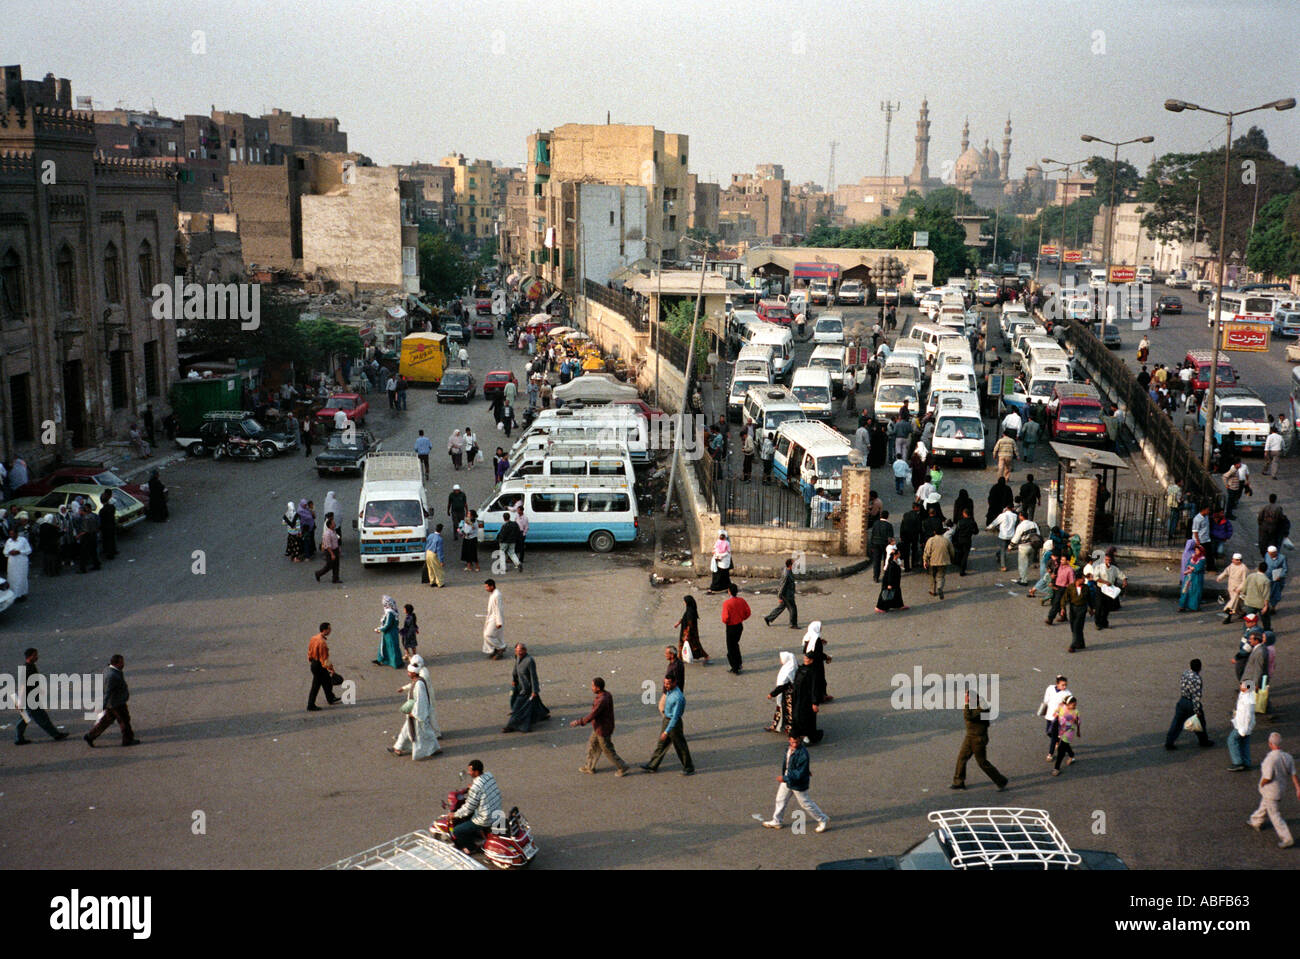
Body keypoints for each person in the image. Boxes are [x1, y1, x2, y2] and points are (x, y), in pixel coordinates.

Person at [762, 731, 831, 831]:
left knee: (806, 804)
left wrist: (784, 778)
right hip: (788, 778)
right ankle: (777, 821)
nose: (794, 745)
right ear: (789, 740)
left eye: (797, 742)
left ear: (800, 741)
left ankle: (822, 818)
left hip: (797, 783)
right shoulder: (789, 749)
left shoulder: (803, 753)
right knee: (780, 799)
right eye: (792, 742)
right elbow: (791, 765)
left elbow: (799, 773)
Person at [571, 677, 630, 776]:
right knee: (592, 745)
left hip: (603, 729)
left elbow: (592, 715)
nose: (591, 688)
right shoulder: (607, 694)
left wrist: (579, 722)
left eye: (593, 686)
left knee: (607, 750)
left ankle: (622, 766)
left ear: (598, 688)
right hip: (599, 727)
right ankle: (589, 767)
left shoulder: (602, 700)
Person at [1249, 733, 1299, 848]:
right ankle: (1255, 820)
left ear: (1270, 744)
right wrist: (1298, 788)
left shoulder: (1270, 759)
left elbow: (1267, 777)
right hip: (1281, 789)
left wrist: (1261, 784)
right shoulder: (1288, 757)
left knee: (1275, 815)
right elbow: (1293, 774)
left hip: (1271, 790)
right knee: (1265, 804)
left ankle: (1287, 838)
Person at [951, 690, 1007, 790]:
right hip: (970, 736)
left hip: (978, 738)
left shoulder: (982, 707)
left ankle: (1001, 781)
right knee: (962, 757)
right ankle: (959, 781)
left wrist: (967, 704)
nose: (966, 700)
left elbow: (969, 716)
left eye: (967, 698)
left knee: (982, 762)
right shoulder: (978, 705)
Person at [13, 648, 71, 744]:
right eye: (35, 655)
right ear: (30, 656)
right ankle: (56, 735)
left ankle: (19, 739)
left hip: (30, 697)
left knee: (24, 718)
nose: (37, 657)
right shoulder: (27, 669)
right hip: (30, 699)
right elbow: (23, 686)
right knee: (42, 718)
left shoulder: (30, 666)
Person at [640, 676, 695, 775]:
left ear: (675, 683)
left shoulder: (678, 697)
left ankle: (689, 767)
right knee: (661, 744)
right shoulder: (670, 691)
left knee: (680, 746)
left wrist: (666, 731)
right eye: (665, 683)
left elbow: (675, 717)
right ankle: (653, 765)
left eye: (668, 683)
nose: (666, 685)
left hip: (673, 724)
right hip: (667, 720)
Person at [390, 656, 440, 760]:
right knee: (409, 729)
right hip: (414, 708)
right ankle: (398, 747)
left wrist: (415, 713)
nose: (408, 673)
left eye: (409, 672)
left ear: (414, 673)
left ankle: (431, 748)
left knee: (422, 731)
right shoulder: (417, 680)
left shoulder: (420, 683)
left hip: (418, 711)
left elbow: (420, 700)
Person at [84, 655, 138, 747]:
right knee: (124, 721)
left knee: (106, 721)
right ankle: (127, 740)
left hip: (113, 703)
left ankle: (90, 736)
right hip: (116, 703)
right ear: (116, 663)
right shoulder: (112, 675)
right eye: (121, 662)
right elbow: (107, 692)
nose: (123, 664)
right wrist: (103, 706)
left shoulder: (109, 670)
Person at [451, 760, 503, 852]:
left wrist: (454, 814)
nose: (468, 772)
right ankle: (479, 833)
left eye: (470, 771)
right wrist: (473, 787)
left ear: (476, 772)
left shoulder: (476, 787)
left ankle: (471, 848)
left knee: (457, 830)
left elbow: (468, 809)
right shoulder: (489, 776)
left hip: (485, 818)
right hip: (496, 811)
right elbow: (484, 788)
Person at [1165, 658, 1214, 749]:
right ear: (1200, 668)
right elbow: (1196, 695)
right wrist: (1197, 710)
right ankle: (1203, 741)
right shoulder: (1197, 679)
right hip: (1191, 703)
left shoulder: (1185, 673)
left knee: (1177, 723)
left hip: (1182, 700)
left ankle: (1169, 742)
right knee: (1199, 723)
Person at [502, 643, 550, 733]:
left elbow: (533, 676)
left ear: (525, 650)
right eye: (517, 650)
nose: (518, 652)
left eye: (520, 650)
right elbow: (515, 669)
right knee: (534, 702)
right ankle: (541, 714)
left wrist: (534, 690)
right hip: (519, 686)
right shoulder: (517, 658)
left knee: (518, 707)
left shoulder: (529, 661)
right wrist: (514, 680)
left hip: (526, 689)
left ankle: (511, 725)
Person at [791, 649, 823, 745]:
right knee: (797, 715)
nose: (805, 659)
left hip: (807, 699)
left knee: (805, 718)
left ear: (812, 660)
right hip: (799, 697)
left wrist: (815, 702)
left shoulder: (813, 672)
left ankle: (807, 737)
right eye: (805, 657)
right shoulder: (802, 668)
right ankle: (798, 735)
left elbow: (814, 688)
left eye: (807, 658)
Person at [1228, 680, 1257, 772]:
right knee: (1244, 743)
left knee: (1231, 740)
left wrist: (1243, 730)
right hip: (1244, 725)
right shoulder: (1246, 695)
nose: (1240, 686)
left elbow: (1248, 715)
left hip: (1242, 726)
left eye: (1242, 685)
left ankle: (1238, 762)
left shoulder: (1247, 699)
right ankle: (1246, 762)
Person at [766, 651, 797, 734]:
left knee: (787, 711)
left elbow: (782, 686)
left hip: (787, 696)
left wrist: (772, 694)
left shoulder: (788, 671)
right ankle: (776, 726)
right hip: (790, 694)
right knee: (783, 710)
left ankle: (789, 730)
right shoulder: (791, 667)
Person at [802, 621, 832, 704]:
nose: (821, 628)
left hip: (811, 664)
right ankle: (818, 698)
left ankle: (821, 696)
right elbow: (817, 653)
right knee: (818, 681)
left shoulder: (808, 636)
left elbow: (806, 650)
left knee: (817, 681)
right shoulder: (816, 640)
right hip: (816, 664)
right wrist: (826, 657)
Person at [1065, 569, 1094, 653]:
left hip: (1082, 608)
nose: (1084, 580)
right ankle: (1081, 643)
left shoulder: (1086, 588)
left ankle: (1073, 645)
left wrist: (1091, 608)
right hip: (1073, 608)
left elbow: (1089, 599)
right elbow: (1065, 598)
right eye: (1083, 578)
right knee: (1074, 627)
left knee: (1077, 626)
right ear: (1078, 579)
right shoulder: (1071, 587)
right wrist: (1062, 608)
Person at [764, 557, 799, 628]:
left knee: (781, 607)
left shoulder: (787, 570)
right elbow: (782, 585)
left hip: (787, 594)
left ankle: (769, 618)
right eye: (793, 564)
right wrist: (779, 596)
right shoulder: (787, 574)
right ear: (790, 565)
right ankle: (793, 624)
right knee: (793, 608)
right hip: (787, 595)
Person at [1050, 696, 1080, 776]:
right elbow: (1055, 713)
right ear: (1067, 704)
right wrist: (1056, 715)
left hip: (1069, 731)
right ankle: (1071, 754)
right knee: (1065, 745)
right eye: (1073, 705)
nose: (1074, 706)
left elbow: (1078, 722)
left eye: (1075, 704)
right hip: (1061, 729)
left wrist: (1078, 731)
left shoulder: (1076, 711)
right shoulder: (1061, 706)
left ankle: (1056, 768)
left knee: (1061, 749)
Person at [675, 594, 709, 663]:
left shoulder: (690, 612)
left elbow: (690, 624)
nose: (683, 602)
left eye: (684, 601)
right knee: (686, 645)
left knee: (694, 645)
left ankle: (706, 656)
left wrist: (687, 634)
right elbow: (684, 618)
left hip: (689, 632)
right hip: (687, 631)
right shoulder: (690, 609)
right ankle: (680, 658)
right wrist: (678, 623)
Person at [922, 525, 954, 599]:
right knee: (941, 576)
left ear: (934, 532)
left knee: (932, 575)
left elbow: (927, 552)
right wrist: (952, 559)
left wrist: (925, 560)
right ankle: (940, 587)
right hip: (943, 561)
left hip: (932, 562)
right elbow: (952, 551)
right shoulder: (946, 540)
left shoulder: (931, 540)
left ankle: (933, 590)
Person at [1009, 510, 1040, 585]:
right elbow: (1038, 534)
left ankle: (1023, 580)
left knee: (1023, 564)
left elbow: (1016, 538)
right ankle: (1025, 575)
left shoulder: (1021, 526)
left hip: (1024, 546)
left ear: (1021, 517)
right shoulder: (1033, 524)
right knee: (1029, 561)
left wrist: (1010, 546)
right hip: (1033, 546)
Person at [372, 596, 404, 668]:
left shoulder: (389, 613)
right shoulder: (393, 611)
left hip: (390, 633)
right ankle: (382, 659)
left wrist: (379, 629)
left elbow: (387, 625)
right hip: (392, 632)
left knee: (391, 647)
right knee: (388, 646)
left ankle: (395, 663)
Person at [1217, 553, 1248, 624]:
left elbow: (1245, 580)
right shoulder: (1231, 566)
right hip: (1231, 587)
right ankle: (1241, 613)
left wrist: (1239, 588)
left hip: (1237, 589)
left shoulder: (1244, 568)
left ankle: (1228, 617)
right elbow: (1226, 572)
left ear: (1238, 560)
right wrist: (1220, 577)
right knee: (1236, 604)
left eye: (1234, 560)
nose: (1232, 561)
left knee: (1232, 604)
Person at [986, 503, 1018, 572]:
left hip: (1003, 535)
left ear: (1006, 508)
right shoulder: (1015, 516)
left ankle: (1003, 566)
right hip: (1011, 535)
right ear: (1012, 508)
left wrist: (988, 528)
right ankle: (998, 554)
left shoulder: (1002, 515)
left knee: (1003, 550)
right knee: (1005, 548)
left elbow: (995, 522)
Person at [1242, 561, 1273, 630]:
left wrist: (1243, 595)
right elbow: (1266, 595)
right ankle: (1267, 631)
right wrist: (1266, 606)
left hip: (1249, 602)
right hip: (1260, 604)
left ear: (1258, 568)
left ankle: (1246, 632)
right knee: (1265, 619)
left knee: (1248, 618)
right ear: (1266, 570)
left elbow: (1244, 588)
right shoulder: (1266, 580)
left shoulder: (1250, 576)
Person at [875, 544, 906, 612]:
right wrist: (889, 584)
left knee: (897, 593)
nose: (900, 554)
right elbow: (890, 575)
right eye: (899, 553)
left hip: (895, 582)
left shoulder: (894, 562)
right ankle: (879, 607)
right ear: (896, 555)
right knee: (885, 594)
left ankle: (899, 605)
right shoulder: (892, 564)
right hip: (890, 582)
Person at [3, 525, 30, 601]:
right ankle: (13, 594)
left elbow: (29, 550)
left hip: (21, 562)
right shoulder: (9, 541)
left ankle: (21, 594)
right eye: (10, 534)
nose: (12, 536)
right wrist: (10, 552)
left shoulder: (23, 540)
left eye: (13, 534)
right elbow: (5, 552)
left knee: (21, 578)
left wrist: (19, 552)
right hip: (12, 563)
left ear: (17, 534)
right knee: (12, 578)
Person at [1178, 542, 1207, 612]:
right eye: (1195, 550)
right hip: (1189, 577)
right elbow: (1188, 563)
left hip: (1196, 578)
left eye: (1197, 550)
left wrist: (1191, 568)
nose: (1196, 551)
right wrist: (1190, 568)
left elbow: (1198, 567)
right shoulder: (1192, 557)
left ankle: (1193, 607)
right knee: (1185, 591)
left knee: (1195, 592)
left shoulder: (1202, 559)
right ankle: (1182, 606)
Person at [868, 509, 894, 582]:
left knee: (876, 561)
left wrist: (872, 545)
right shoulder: (889, 525)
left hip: (876, 544)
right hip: (885, 545)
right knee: (887, 560)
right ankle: (886, 575)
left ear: (880, 516)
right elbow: (891, 538)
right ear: (887, 517)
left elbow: (873, 534)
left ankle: (876, 576)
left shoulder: (875, 524)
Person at [482, 579, 505, 659]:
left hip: (495, 618)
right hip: (491, 617)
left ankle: (501, 647)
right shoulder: (493, 593)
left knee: (487, 635)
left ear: (492, 586)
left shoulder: (497, 595)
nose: (486, 589)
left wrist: (499, 622)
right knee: (493, 635)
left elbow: (498, 609)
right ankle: (495, 649)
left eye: (487, 587)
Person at [314, 515, 342, 584]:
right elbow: (327, 545)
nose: (334, 524)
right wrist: (332, 554)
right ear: (330, 525)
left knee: (336, 565)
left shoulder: (333, 531)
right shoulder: (327, 534)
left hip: (335, 549)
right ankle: (318, 573)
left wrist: (338, 548)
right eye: (333, 523)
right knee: (329, 566)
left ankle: (335, 578)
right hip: (330, 551)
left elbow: (335, 541)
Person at [1265, 544, 1287, 611]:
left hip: (1277, 579)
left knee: (1275, 594)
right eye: (1269, 553)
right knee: (1267, 592)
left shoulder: (1282, 558)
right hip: (1268, 577)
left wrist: (1280, 576)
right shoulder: (1267, 555)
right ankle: (1266, 605)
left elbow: (1285, 568)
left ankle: (1273, 607)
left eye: (1272, 554)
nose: (1270, 555)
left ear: (1275, 552)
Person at [97, 491, 118, 560]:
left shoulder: (102, 511)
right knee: (112, 539)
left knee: (107, 540)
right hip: (112, 525)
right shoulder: (112, 507)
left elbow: (101, 520)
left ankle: (109, 554)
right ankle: (113, 551)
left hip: (105, 527)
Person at [424, 523, 445, 587]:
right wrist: (441, 560)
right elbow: (439, 551)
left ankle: (432, 581)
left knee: (430, 568)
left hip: (428, 552)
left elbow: (427, 544)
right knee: (438, 569)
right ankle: (440, 583)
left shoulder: (430, 535)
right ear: (441, 530)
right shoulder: (440, 539)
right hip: (433, 553)